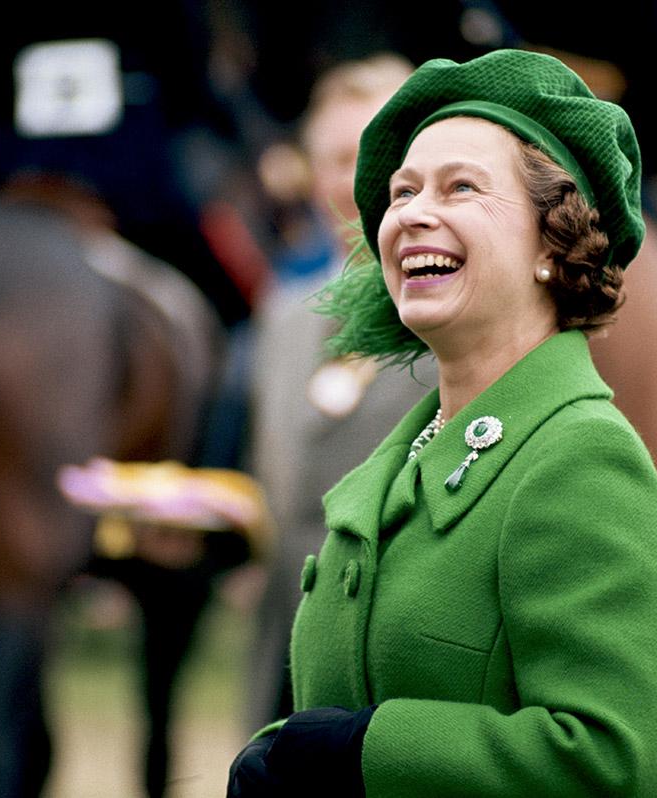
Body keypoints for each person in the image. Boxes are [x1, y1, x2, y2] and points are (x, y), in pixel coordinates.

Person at [227, 49, 657, 796]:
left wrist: (365, 750)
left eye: (460, 186)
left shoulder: (583, 458)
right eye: (403, 192)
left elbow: (608, 764)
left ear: (551, 240)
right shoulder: (398, 461)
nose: (411, 213)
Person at [244, 53, 439, 731]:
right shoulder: (281, 313)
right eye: (332, 158)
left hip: (400, 681)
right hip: (278, 663)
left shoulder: (461, 318)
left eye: (374, 154)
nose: (353, 180)